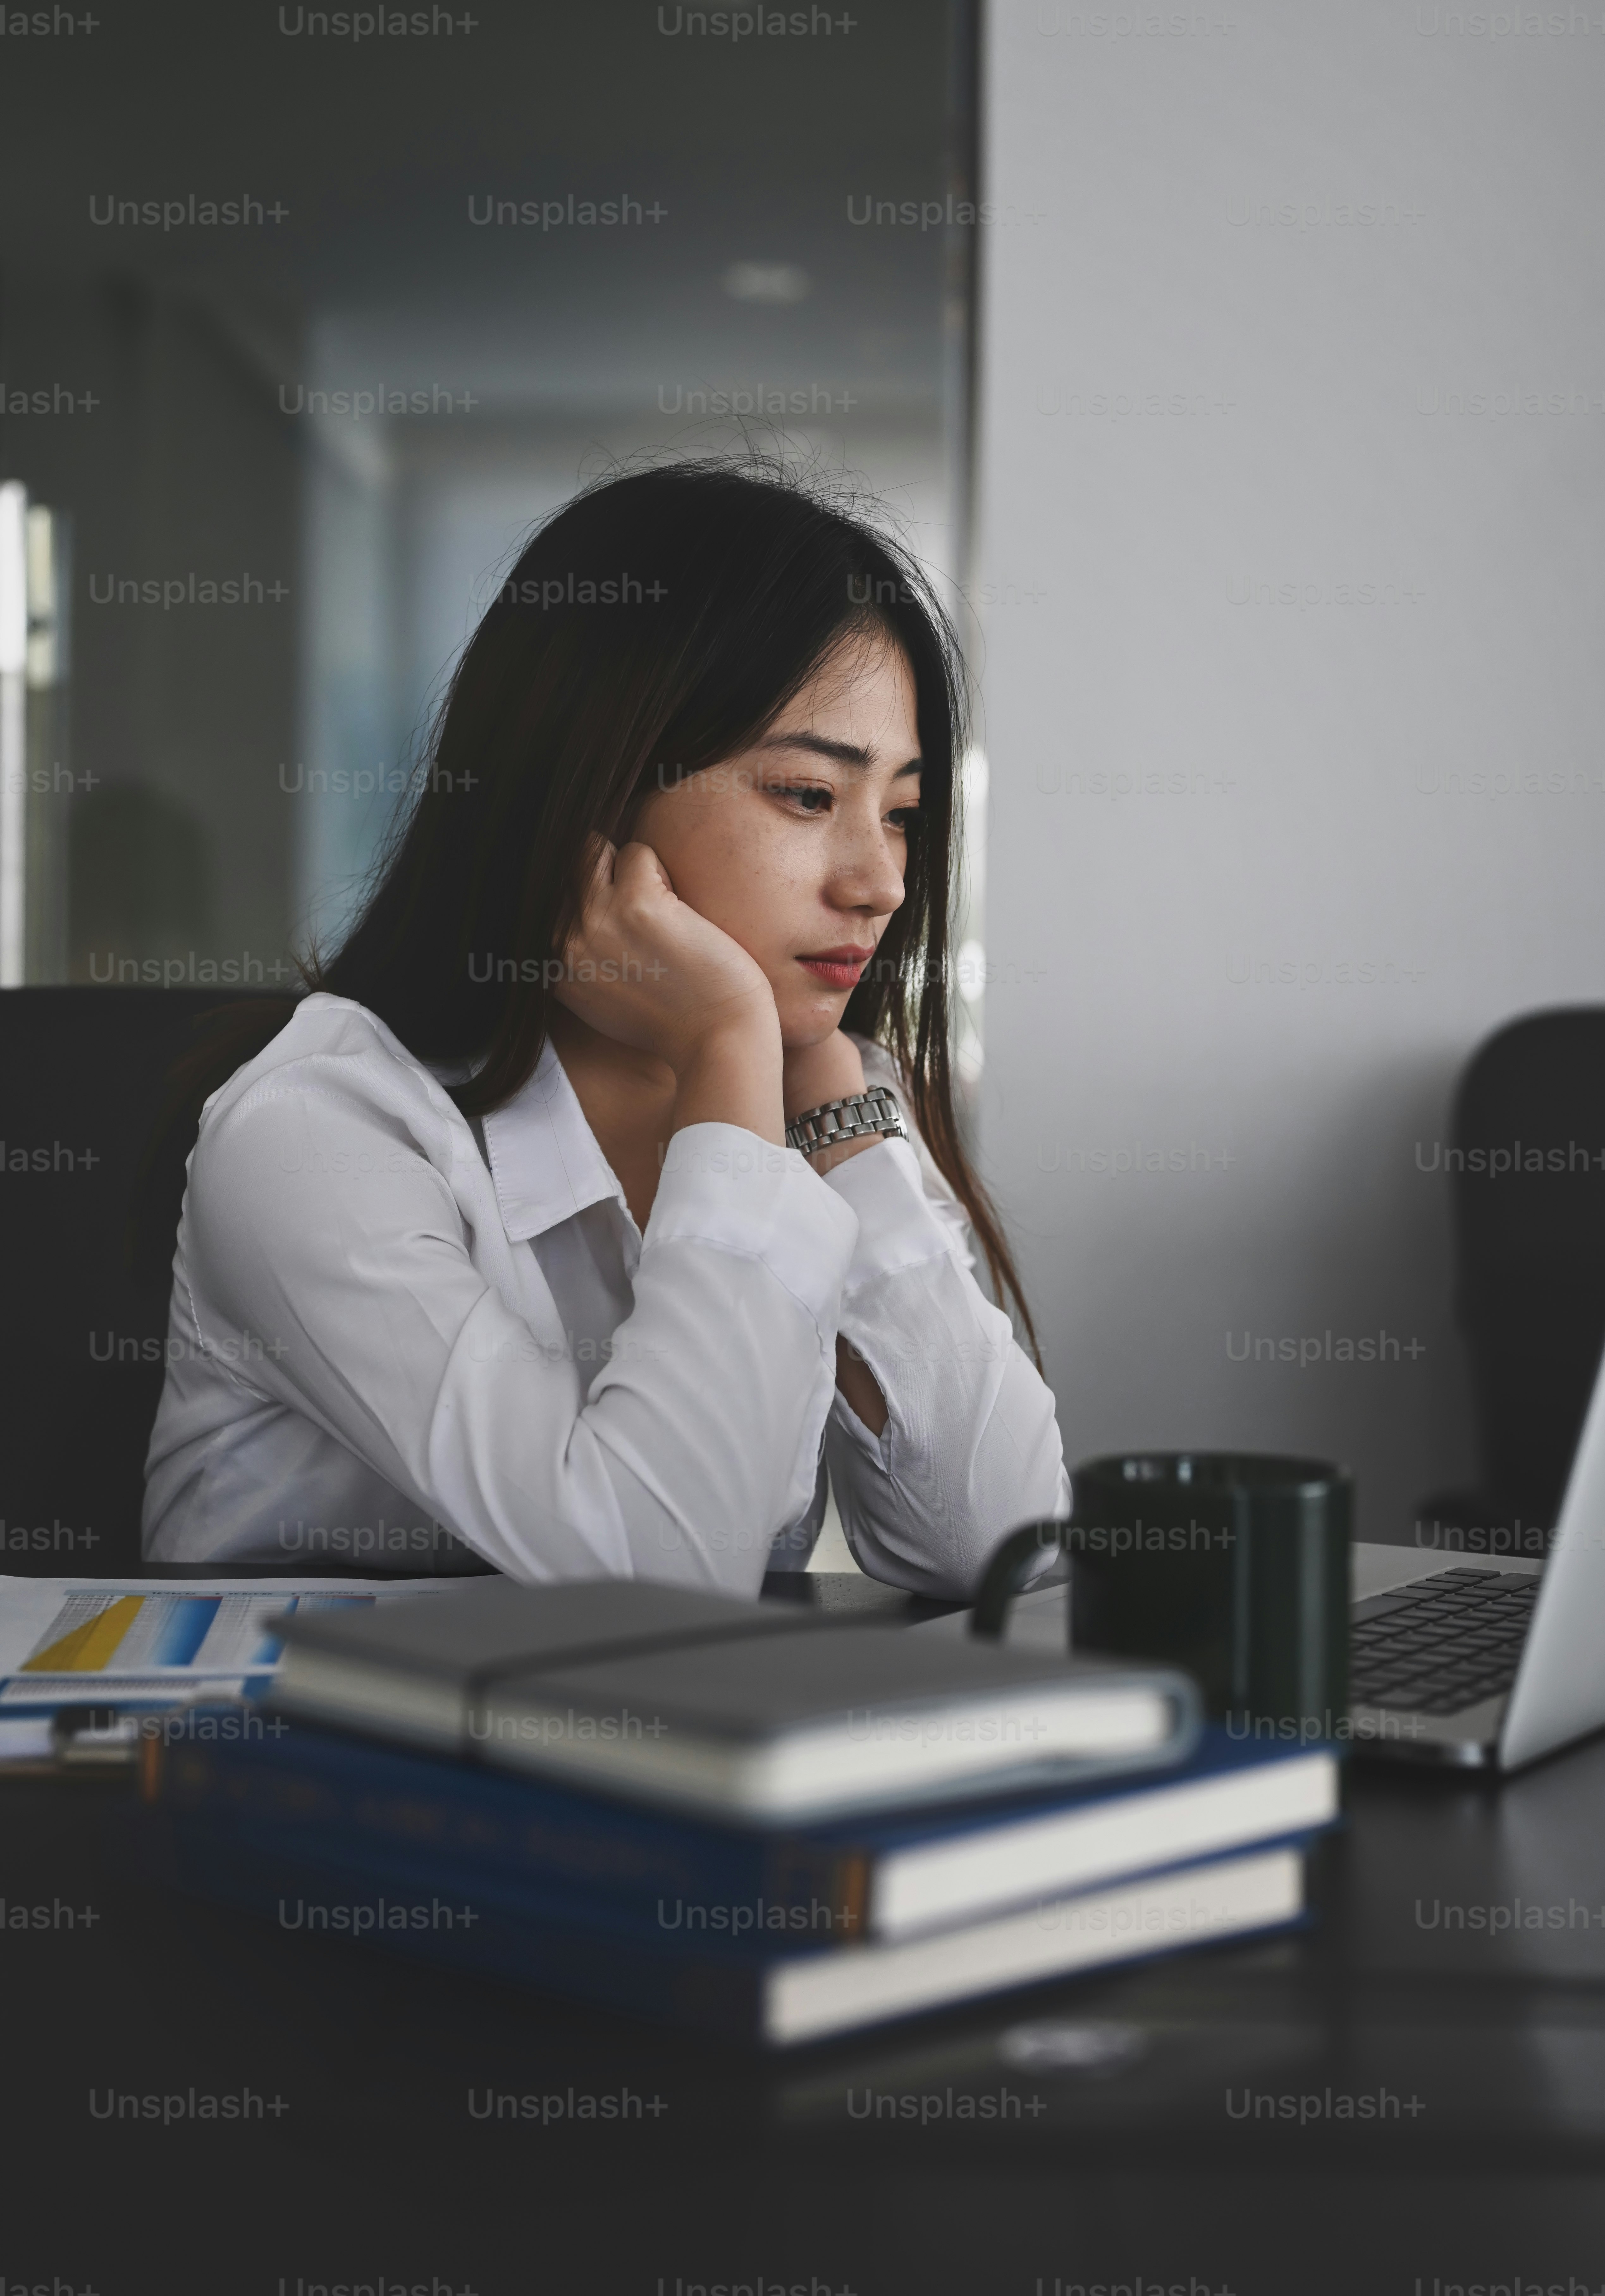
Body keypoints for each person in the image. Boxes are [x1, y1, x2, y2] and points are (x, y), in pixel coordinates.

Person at [141, 461, 1069, 1595]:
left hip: (655, 1750)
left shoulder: (823, 1094)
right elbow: (654, 1571)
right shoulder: (318, 1132)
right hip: (289, 1760)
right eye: (808, 797)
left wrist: (835, 1111)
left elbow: (1003, 1540)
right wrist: (730, 1048)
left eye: (904, 812)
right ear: (594, 790)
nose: (880, 883)